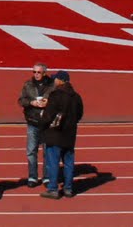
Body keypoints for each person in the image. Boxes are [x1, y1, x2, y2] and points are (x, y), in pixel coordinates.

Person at [40, 71, 83, 199]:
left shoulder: (56, 95)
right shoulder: (76, 96)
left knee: (52, 162)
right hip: (70, 134)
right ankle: (68, 188)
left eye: (55, 79)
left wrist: (42, 123)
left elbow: (49, 115)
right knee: (69, 162)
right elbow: (79, 114)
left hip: (55, 134)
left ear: (60, 80)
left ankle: (53, 188)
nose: (54, 81)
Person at [17, 62, 53, 187]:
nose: (36, 74)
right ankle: (32, 176)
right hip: (32, 122)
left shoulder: (52, 85)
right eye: (34, 72)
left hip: (47, 123)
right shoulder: (28, 84)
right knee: (31, 151)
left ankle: (47, 177)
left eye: (38, 72)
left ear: (44, 73)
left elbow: (57, 100)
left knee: (47, 152)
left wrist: (47, 103)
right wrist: (32, 102)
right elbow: (21, 100)